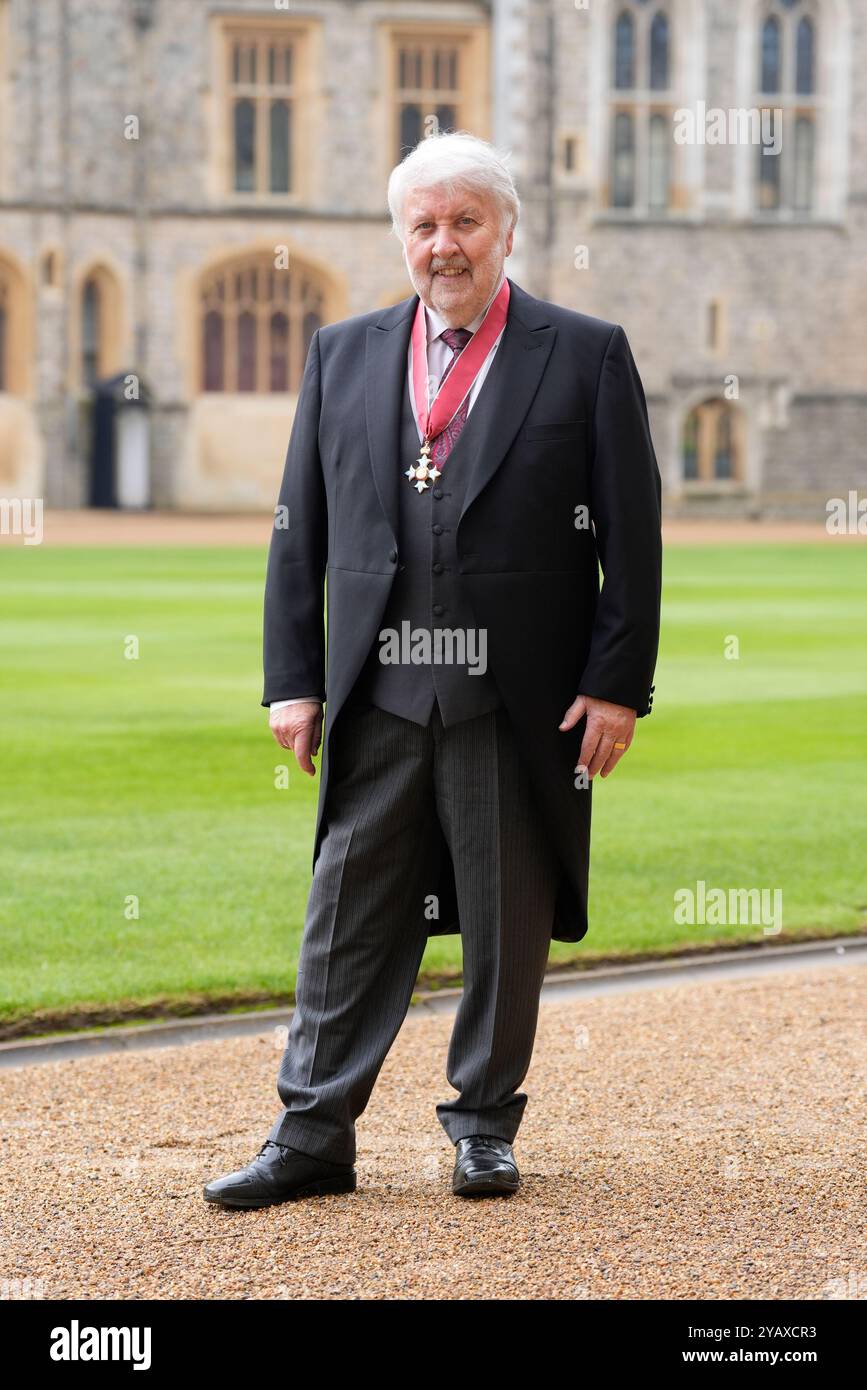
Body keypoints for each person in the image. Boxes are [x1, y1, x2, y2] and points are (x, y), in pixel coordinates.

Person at [204, 131, 661, 1209]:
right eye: (425, 225)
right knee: (346, 912)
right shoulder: (344, 352)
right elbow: (297, 532)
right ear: (399, 236)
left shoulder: (585, 352)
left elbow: (632, 539)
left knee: (506, 915)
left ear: (507, 229)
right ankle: (313, 1131)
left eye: (465, 222)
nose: (444, 244)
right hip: (380, 688)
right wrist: (293, 677)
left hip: (520, 695)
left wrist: (616, 682)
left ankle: (484, 1124)